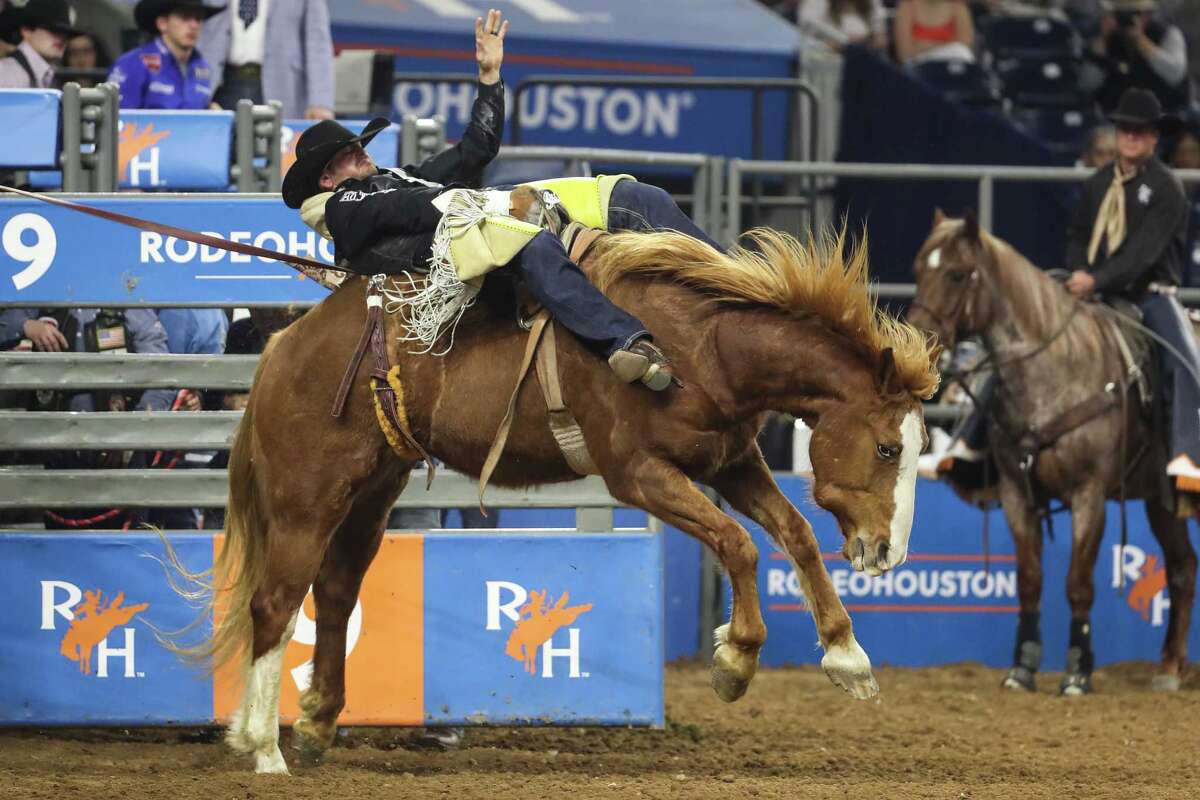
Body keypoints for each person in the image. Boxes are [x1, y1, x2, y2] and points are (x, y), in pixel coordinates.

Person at [284, 10, 726, 391]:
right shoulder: (341, 208)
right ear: (326, 178)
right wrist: (484, 205)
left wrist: (490, 78)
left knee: (631, 197)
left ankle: (741, 282)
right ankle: (623, 342)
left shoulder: (399, 178)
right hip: (457, 254)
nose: (361, 151)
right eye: (348, 153)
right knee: (527, 241)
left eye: (359, 144)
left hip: (480, 219)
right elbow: (395, 210)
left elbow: (475, 150)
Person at [1064, 87, 1200, 491]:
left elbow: (1142, 255)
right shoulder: (1098, 183)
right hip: (1093, 291)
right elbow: (1077, 233)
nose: (1131, 136)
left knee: (1183, 361)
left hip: (1149, 295)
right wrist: (1077, 272)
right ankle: (970, 443)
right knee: (1026, 327)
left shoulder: (1167, 188)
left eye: (1140, 131)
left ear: (1155, 137)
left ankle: (1187, 454)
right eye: (1125, 129)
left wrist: (1094, 280)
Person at [198, 0, 334, 119]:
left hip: (281, 86)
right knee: (219, 145)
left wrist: (320, 102)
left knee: (279, 145)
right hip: (219, 84)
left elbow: (318, 42)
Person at [109, 0, 221, 110]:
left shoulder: (203, 67)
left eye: (198, 19)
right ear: (162, 24)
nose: (194, 25)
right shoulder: (132, 63)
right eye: (185, 17)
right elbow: (118, 118)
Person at [1082, 0, 1190, 113]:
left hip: (1165, 112)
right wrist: (1102, 43)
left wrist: (1141, 41)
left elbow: (1175, 74)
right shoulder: (1102, 37)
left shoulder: (1167, 34)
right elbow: (1087, 85)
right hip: (1118, 115)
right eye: (1120, 13)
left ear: (1148, 14)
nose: (1126, 18)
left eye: (1134, 13)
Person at [0, 0, 79, 89]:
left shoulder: (50, 75)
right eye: (53, 29)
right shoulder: (6, 74)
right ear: (27, 30)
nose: (61, 37)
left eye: (66, 33)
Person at [893, 0, 976, 64]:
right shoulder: (906, 9)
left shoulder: (959, 10)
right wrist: (945, 45)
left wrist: (923, 46)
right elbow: (904, 54)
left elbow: (963, 49)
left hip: (950, 67)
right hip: (918, 70)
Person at [798, 0, 888, 49]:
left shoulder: (871, 3)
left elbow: (881, 40)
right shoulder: (816, 3)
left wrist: (863, 43)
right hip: (829, 61)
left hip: (865, 58)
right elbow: (808, 33)